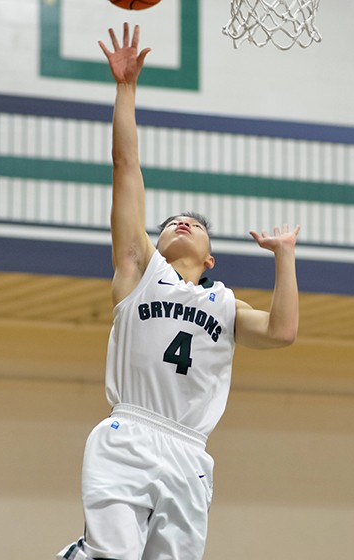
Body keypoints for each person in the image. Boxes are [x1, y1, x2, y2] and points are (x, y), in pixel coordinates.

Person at [57, 23, 300, 560]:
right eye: (172, 221)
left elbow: (283, 331)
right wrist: (126, 89)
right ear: (155, 243)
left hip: (190, 453)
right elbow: (127, 169)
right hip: (130, 433)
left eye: (194, 222)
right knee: (112, 556)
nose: (182, 222)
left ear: (210, 258)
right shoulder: (138, 272)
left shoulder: (226, 305)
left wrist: (285, 258)